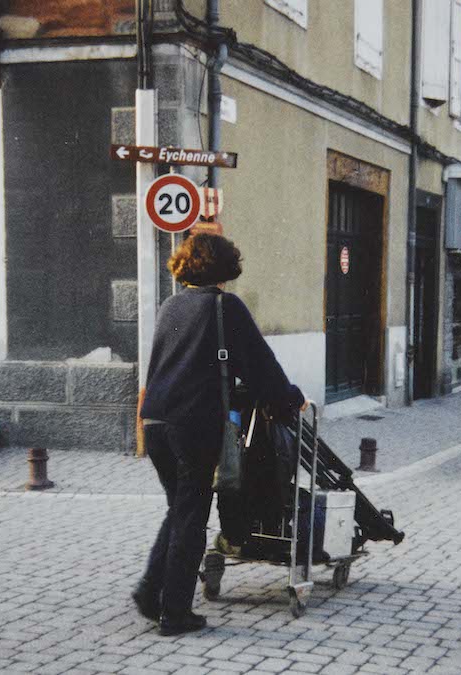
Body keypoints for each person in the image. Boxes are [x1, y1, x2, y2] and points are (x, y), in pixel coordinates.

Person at [134, 233, 306, 637]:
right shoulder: (225, 307)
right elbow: (261, 364)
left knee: (179, 506)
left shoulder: (170, 305)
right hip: (194, 423)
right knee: (192, 513)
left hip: (156, 419)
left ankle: (149, 590)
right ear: (225, 268)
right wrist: (289, 400)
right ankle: (175, 613)